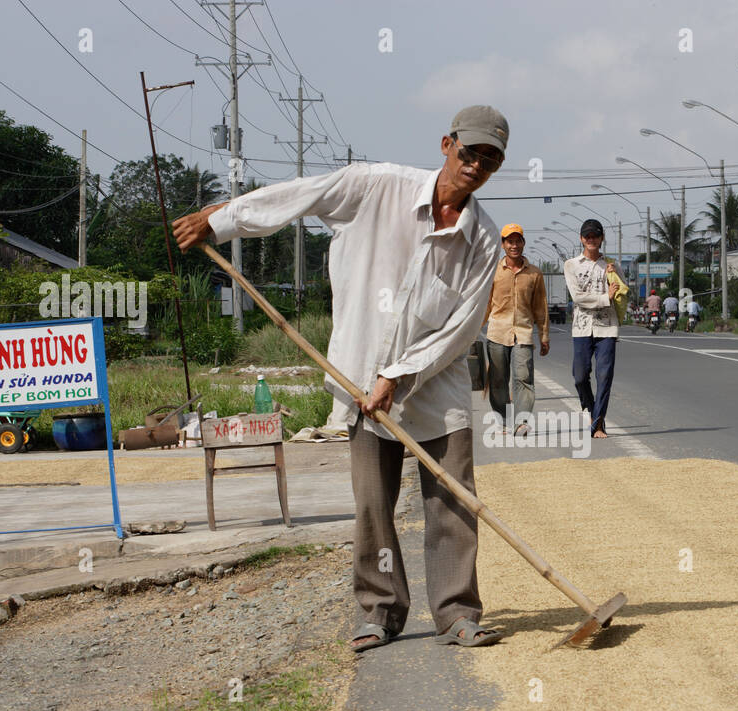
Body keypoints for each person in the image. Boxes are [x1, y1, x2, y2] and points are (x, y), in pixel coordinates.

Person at [173, 105, 509, 652]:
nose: (476, 166)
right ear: (447, 145)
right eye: (470, 152)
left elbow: (461, 328)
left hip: (434, 382)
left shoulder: (483, 240)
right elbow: (299, 195)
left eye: (490, 160)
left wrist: (397, 378)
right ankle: (378, 610)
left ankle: (456, 613)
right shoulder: (376, 187)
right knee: (373, 503)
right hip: (359, 382)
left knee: (452, 499)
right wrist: (224, 217)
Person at [485, 223, 549, 437]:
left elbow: (540, 306)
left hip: (522, 332)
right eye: (509, 241)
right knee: (498, 379)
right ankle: (503, 421)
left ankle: (521, 422)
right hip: (496, 332)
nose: (514, 245)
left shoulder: (534, 274)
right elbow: (485, 304)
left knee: (523, 377)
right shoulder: (493, 271)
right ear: (503, 244)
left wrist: (544, 335)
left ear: (523, 243)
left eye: (517, 240)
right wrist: (472, 332)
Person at [564, 219, 622, 439]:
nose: (591, 239)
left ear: (601, 238)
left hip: (607, 328)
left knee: (604, 375)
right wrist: (605, 297)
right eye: (587, 236)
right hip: (581, 328)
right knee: (580, 376)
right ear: (581, 238)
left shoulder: (611, 265)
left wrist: (613, 276)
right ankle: (591, 410)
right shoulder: (571, 265)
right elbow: (577, 297)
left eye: (595, 236)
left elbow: (623, 291)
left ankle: (598, 424)